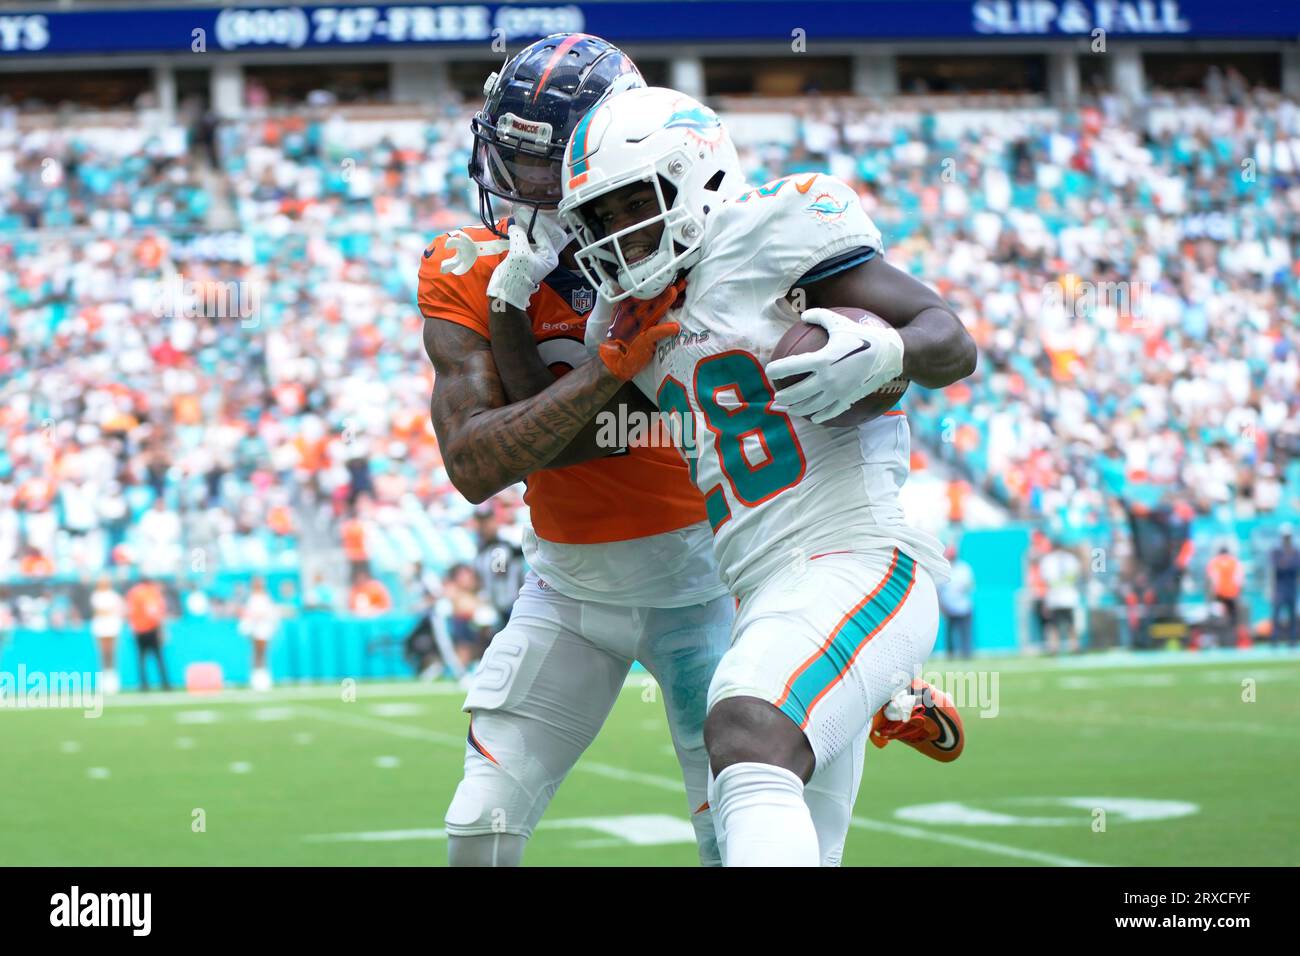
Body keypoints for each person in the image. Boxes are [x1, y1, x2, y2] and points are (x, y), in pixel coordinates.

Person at [557, 85, 977, 865]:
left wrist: (889, 352)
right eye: (600, 219)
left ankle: (887, 679)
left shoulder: (778, 227)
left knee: (745, 729)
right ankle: (885, 688)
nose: (617, 234)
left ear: (697, 175)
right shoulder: (624, 322)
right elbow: (551, 447)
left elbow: (949, 338)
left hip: (859, 555)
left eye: (628, 204)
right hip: (765, 593)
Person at [421, 35, 735, 868]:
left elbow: (582, 433)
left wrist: (560, 394)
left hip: (710, 583)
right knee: (480, 823)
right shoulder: (469, 264)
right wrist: (575, 357)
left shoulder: (689, 230)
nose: (522, 189)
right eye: (510, 160)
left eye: (544, 164)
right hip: (567, 586)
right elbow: (475, 465)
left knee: (737, 832)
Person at [470, 506, 526, 624]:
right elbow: (479, 579)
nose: (485, 526)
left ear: (494, 521)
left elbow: (499, 570)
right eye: (481, 523)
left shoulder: (507, 542)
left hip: (516, 605)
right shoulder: (481, 550)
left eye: (488, 521)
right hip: (497, 609)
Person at [125, 577, 170, 691]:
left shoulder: (133, 593)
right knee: (159, 657)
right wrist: (161, 629)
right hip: (151, 628)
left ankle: (144, 685)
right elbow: (153, 612)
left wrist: (133, 626)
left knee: (141, 658)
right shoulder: (151, 592)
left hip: (138, 629)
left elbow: (129, 612)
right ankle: (165, 683)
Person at [1038, 540, 1082, 654]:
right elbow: (1076, 575)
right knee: (1071, 623)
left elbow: (1046, 579)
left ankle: (1054, 647)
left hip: (1055, 596)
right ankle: (1075, 646)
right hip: (1069, 595)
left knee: (1053, 624)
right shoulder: (1071, 558)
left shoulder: (1048, 560)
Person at [240, 576, 279, 691]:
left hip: (264, 629)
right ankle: (256, 679)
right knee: (257, 655)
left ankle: (263, 679)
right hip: (255, 630)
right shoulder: (252, 598)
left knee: (263, 654)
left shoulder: (266, 597)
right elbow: (249, 614)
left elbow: (271, 613)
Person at [939, 545, 975, 659]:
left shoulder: (964, 568)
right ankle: (951, 655)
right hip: (948, 606)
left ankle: (967, 654)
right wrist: (942, 605)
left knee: (965, 632)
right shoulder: (943, 568)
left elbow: (969, 585)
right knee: (950, 634)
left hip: (963, 606)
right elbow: (939, 589)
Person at [90, 575, 124, 694]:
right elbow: (100, 611)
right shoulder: (96, 596)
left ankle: (113, 682)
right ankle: (104, 682)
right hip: (101, 627)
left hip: (112, 626)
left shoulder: (113, 596)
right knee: (103, 655)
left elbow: (118, 609)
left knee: (112, 654)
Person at [1205, 542, 1244, 644]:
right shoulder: (1235, 562)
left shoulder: (1214, 562)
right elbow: (1239, 580)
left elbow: (1213, 580)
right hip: (1232, 596)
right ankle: (1232, 641)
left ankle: (1217, 641)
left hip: (1218, 596)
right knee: (1233, 621)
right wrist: (1237, 594)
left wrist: (1211, 596)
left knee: (1216, 620)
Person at [1272, 524, 1299, 647]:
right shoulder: (1276, 552)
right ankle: (1275, 640)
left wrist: (1285, 563)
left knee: (1292, 615)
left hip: (1291, 587)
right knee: (1277, 615)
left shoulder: (1295, 552)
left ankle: (1292, 640)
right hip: (1280, 588)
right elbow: (1277, 567)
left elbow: (1294, 566)